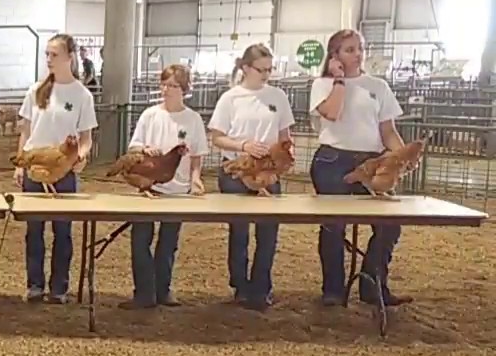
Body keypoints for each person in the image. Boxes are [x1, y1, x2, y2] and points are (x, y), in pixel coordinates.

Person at [309, 28, 413, 307]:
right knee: (334, 226)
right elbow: (332, 113)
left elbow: (388, 130)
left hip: (372, 161)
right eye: (349, 49)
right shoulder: (323, 85)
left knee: (389, 224)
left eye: (360, 48)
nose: (357, 54)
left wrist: (400, 156)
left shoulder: (378, 87)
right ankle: (332, 289)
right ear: (335, 55)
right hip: (332, 160)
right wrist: (339, 80)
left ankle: (372, 282)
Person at [208, 43, 294, 311]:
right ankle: (240, 286)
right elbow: (217, 137)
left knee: (268, 231)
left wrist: (283, 156)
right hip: (236, 169)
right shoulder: (230, 98)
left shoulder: (278, 96)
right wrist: (243, 146)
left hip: (267, 171)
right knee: (239, 230)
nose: (267, 74)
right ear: (245, 68)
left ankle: (262, 287)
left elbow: (285, 135)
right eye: (261, 69)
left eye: (270, 69)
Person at [15, 33, 97, 303]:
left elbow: (86, 137)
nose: (49, 59)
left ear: (69, 58)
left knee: (63, 231)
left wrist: (80, 156)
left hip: (64, 171)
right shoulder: (35, 90)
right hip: (35, 167)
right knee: (33, 230)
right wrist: (20, 163)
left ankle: (59, 287)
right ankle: (34, 285)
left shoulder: (82, 95)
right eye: (47, 55)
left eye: (54, 55)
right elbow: (26, 132)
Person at [124, 63, 208, 309]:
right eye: (164, 84)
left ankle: (163, 289)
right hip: (148, 189)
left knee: (168, 243)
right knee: (140, 240)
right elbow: (134, 146)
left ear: (184, 89)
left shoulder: (193, 120)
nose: (167, 90)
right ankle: (143, 292)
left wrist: (195, 178)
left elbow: (197, 156)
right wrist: (143, 149)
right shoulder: (150, 115)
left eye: (172, 85)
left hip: (178, 191)